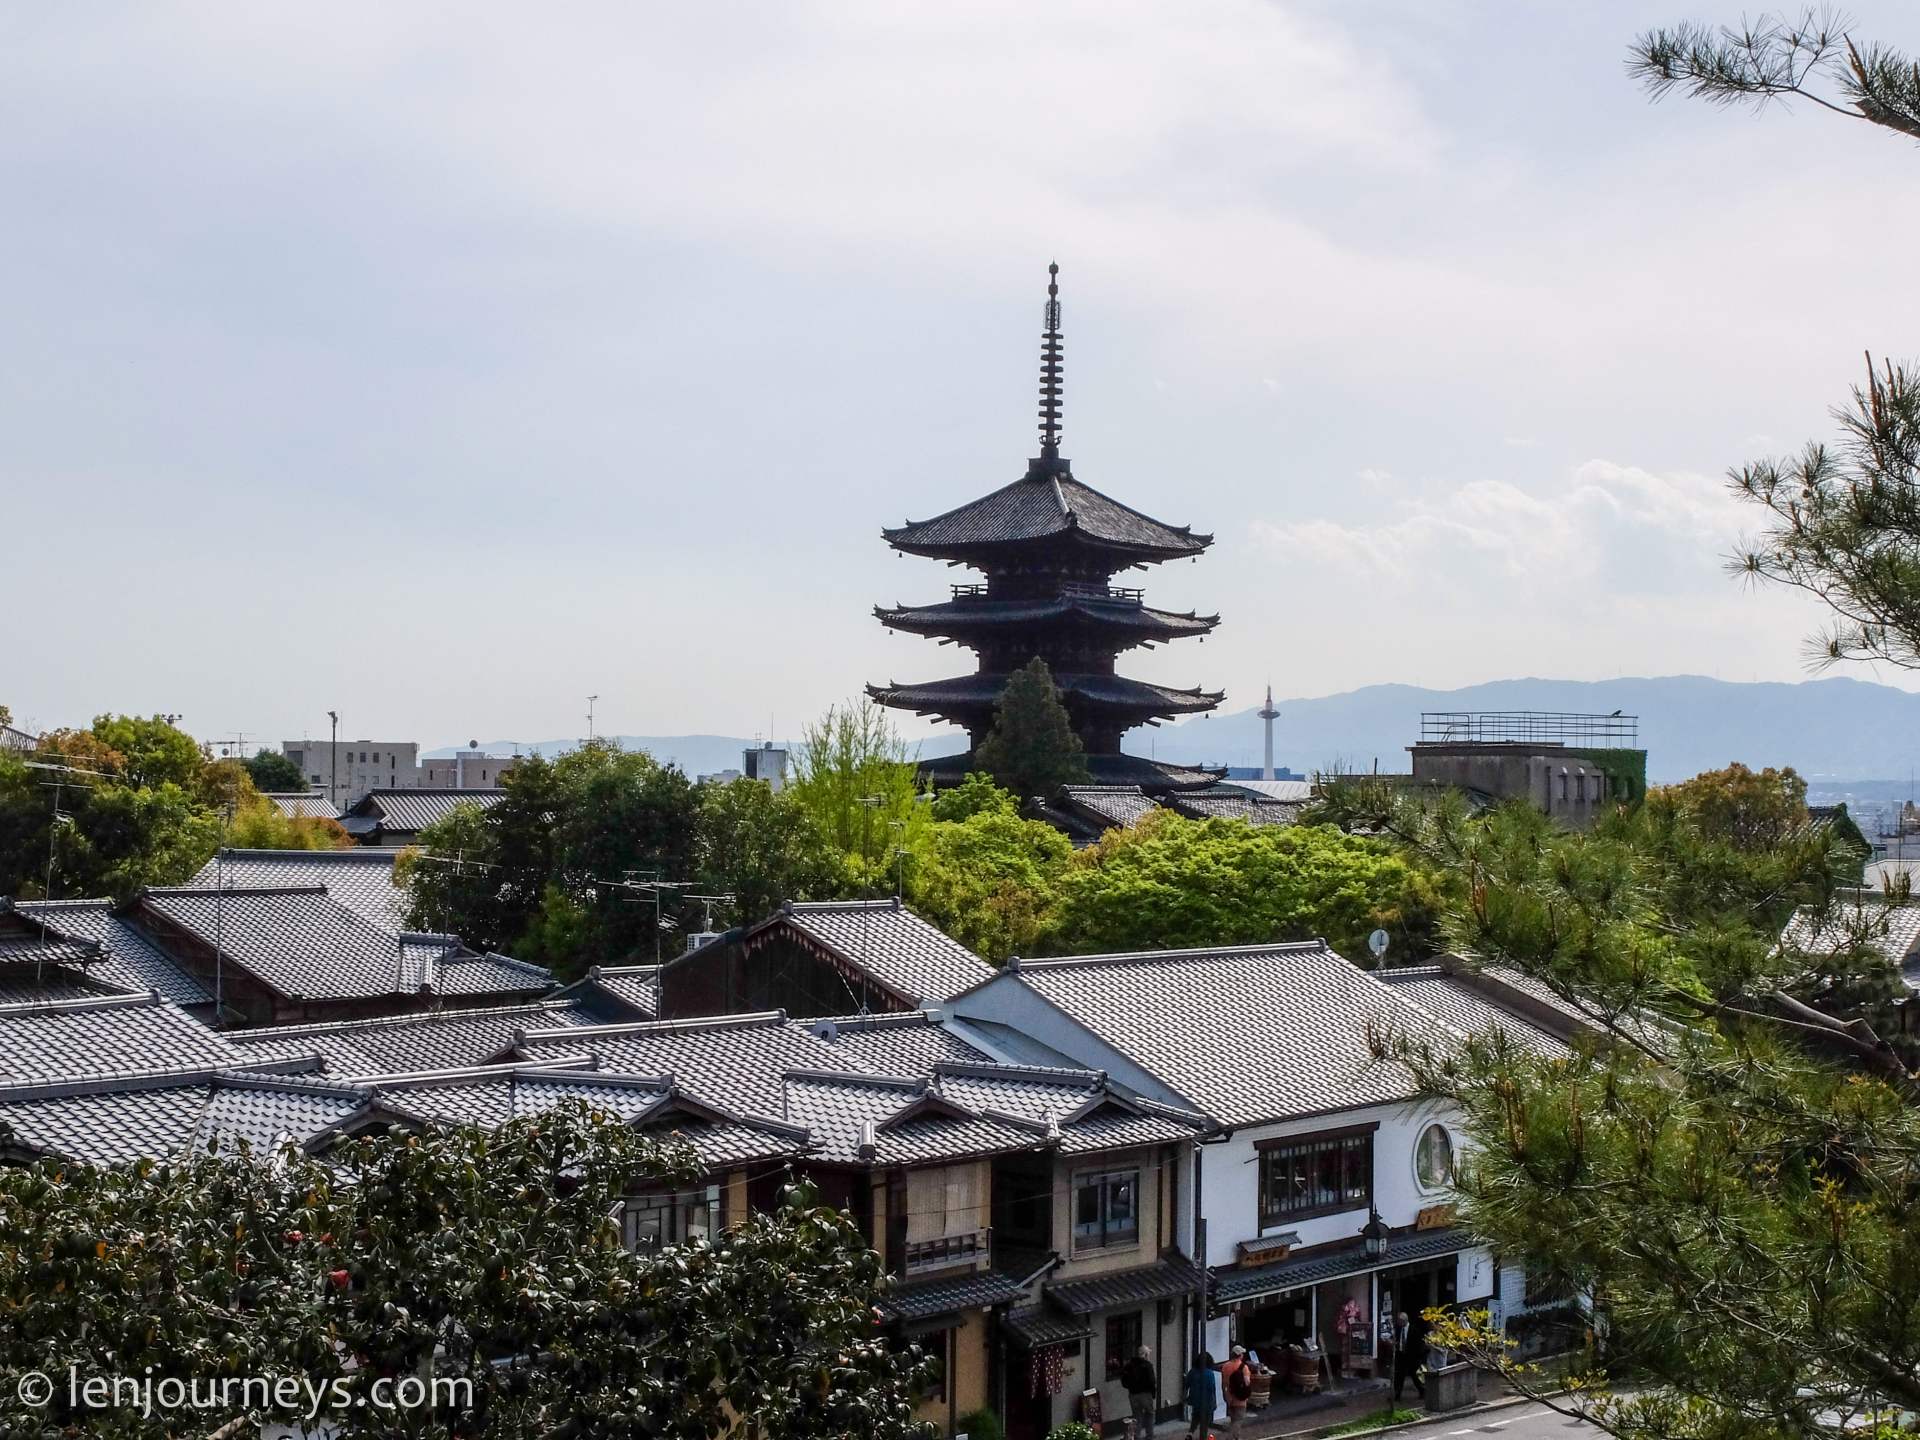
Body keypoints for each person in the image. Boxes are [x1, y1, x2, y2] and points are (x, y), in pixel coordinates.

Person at [1122, 1345, 1158, 1439]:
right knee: (1150, 1413)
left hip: (1133, 1394)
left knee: (1137, 1415)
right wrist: (1153, 1393)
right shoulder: (1147, 1365)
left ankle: (1136, 1436)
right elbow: (1152, 1381)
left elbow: (1124, 1381)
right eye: (1148, 1354)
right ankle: (1149, 1435)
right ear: (1145, 1355)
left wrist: (1131, 1387)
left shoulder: (1130, 1365)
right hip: (1145, 1394)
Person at [1391, 1311, 1426, 1403]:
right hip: (1401, 1355)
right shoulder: (1398, 1329)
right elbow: (1396, 1339)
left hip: (1412, 1356)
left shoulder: (1414, 1330)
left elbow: (1418, 1344)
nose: (1398, 1322)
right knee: (1399, 1375)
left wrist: (1418, 1357)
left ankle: (1422, 1391)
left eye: (1399, 1320)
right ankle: (1397, 1394)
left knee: (1414, 1375)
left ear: (1404, 1321)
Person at [1219, 1345, 1254, 1436]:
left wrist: (1225, 1394)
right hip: (1240, 1397)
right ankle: (1230, 1438)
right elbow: (1247, 1382)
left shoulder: (1225, 1366)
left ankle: (1236, 1437)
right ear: (1240, 1355)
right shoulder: (1244, 1367)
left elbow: (1223, 1383)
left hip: (1229, 1396)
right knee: (1238, 1420)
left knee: (1233, 1419)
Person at [1184, 1351, 1218, 1440]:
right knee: (1205, 1422)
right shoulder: (1210, 1373)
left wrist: (1185, 1397)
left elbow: (1186, 1384)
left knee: (1195, 1417)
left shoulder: (1193, 1371)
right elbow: (1212, 1389)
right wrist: (1214, 1402)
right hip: (1207, 1400)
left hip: (1195, 1399)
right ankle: (1202, 1437)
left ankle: (1190, 1433)